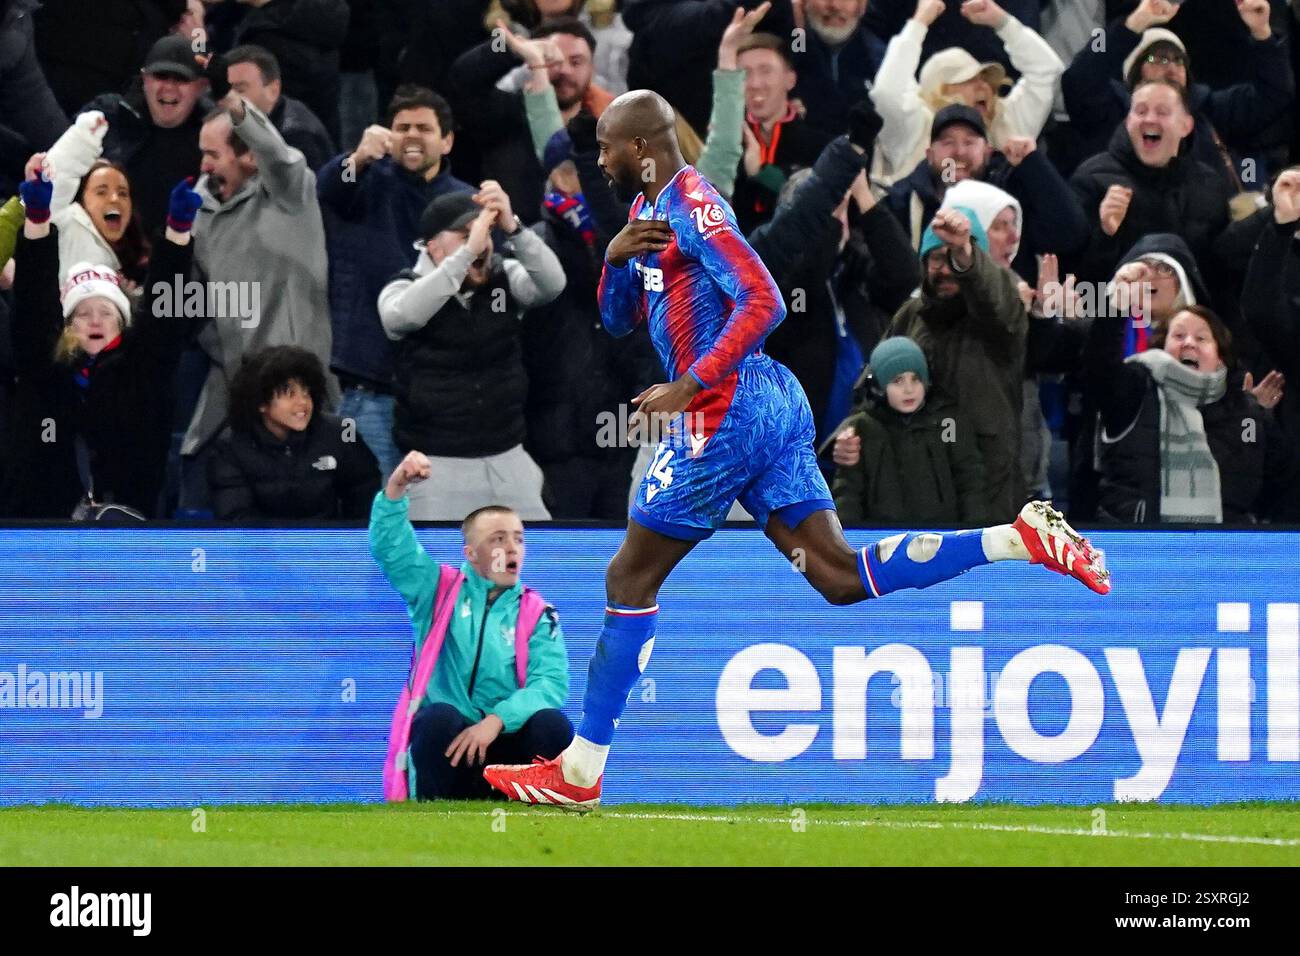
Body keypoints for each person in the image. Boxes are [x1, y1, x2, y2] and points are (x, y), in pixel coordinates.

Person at [481, 89, 1110, 810]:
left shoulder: (696, 207)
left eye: (606, 147)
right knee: (839, 576)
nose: (600, 159)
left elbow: (765, 300)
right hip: (767, 404)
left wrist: (690, 384)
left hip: (722, 413)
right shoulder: (645, 217)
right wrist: (615, 261)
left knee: (628, 581)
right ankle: (1018, 538)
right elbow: (620, 321)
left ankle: (581, 771)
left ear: (643, 151)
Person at [370, 450, 572, 801]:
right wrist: (397, 486)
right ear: (470, 552)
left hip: (507, 742)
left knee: (552, 724)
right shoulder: (437, 590)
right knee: (437, 720)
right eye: (498, 539)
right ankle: (435, 819)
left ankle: (540, 821)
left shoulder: (537, 611)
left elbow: (550, 684)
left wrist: (495, 722)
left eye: (518, 539)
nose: (512, 548)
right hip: (455, 744)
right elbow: (392, 548)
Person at [2, 170, 200, 518]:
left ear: (123, 324)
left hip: (128, 538)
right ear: (65, 326)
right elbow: (34, 307)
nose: (94, 321)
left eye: (105, 313)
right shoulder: (46, 373)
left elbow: (164, 324)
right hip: (41, 537)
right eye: (82, 313)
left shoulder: (143, 374)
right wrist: (36, 222)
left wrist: (178, 233)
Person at [181, 95, 340, 512]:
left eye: (213, 154)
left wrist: (239, 111)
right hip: (233, 398)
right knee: (198, 503)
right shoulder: (197, 211)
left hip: (305, 398)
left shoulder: (290, 194)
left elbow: (281, 158)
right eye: (202, 154)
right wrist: (228, 350)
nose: (204, 166)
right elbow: (193, 306)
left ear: (248, 155)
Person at [377, 187, 565, 520]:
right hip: (437, 465)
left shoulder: (503, 277)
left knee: (535, 561)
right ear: (433, 246)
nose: (481, 244)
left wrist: (515, 229)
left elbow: (553, 284)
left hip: (508, 456)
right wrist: (463, 258)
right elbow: (400, 317)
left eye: (483, 234)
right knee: (439, 567)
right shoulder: (403, 287)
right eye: (465, 235)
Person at [317, 86, 474, 481]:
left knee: (437, 521)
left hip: (445, 394)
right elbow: (328, 188)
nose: (412, 135)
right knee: (371, 512)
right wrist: (358, 157)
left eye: (424, 127)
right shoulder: (365, 183)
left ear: (448, 140)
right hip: (372, 386)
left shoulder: (469, 206)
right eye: (403, 127)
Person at [1061, 0, 1294, 193]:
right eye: (1158, 59)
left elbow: (1274, 93)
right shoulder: (1110, 110)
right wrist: (1134, 24)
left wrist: (1262, 33)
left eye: (1177, 60)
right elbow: (1079, 77)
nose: (1171, 67)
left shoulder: (1206, 109)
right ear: (1133, 71)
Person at [1083, 303, 1277, 523]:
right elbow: (1098, 366)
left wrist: (1261, 417)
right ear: (1160, 349)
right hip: (1139, 545)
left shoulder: (1246, 413)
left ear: (1220, 357)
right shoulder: (1136, 392)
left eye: (1201, 338)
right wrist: (1115, 305)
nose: (1189, 343)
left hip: (1224, 551)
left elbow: (1275, 484)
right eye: (1178, 335)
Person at [870, 0, 1064, 187]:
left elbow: (1047, 71)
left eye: (985, 79)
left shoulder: (1006, 122)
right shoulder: (913, 127)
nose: (983, 87)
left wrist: (1003, 23)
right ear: (937, 91)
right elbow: (887, 92)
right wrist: (919, 23)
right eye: (968, 80)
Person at [1068, 78, 1232, 292]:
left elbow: (1221, 274)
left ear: (1186, 126)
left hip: (1188, 318)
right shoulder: (1093, 177)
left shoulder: (1210, 183)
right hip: (1117, 315)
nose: (1150, 119)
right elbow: (1079, 285)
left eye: (1162, 112)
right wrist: (1106, 234)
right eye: (1141, 111)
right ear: (1128, 122)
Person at [207, 345, 380, 520]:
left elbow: (365, 500)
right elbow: (235, 517)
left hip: (326, 542)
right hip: (261, 545)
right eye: (290, 394)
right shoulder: (230, 446)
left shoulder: (340, 433)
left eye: (306, 393)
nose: (302, 403)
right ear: (261, 402)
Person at [832, 336, 986, 525]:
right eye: (898, 381)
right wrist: (847, 537)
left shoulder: (949, 421)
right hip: (881, 536)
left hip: (944, 534)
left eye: (916, 379)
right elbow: (848, 491)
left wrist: (974, 530)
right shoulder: (862, 428)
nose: (909, 389)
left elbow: (970, 480)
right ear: (879, 387)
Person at [81, 34, 215, 236]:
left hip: (183, 253)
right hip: (108, 249)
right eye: (161, 76)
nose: (169, 87)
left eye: (181, 79)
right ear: (144, 79)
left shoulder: (215, 134)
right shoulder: (108, 117)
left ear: (200, 87)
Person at [731, 32, 831, 235]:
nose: (755, 83)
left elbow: (819, 206)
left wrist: (761, 172)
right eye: (744, 73)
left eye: (766, 71)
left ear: (790, 79)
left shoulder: (822, 146)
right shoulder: (725, 147)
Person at [35, 112, 151, 286]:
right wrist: (82, 138)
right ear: (82, 200)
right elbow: (56, 182)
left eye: (122, 193)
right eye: (101, 192)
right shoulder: (66, 223)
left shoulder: (122, 266)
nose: (114, 199)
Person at [224, 44, 335, 173]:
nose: (229, 98)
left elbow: (306, 191)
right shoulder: (229, 121)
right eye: (225, 90)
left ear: (273, 90)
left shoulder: (296, 135)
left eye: (240, 90)